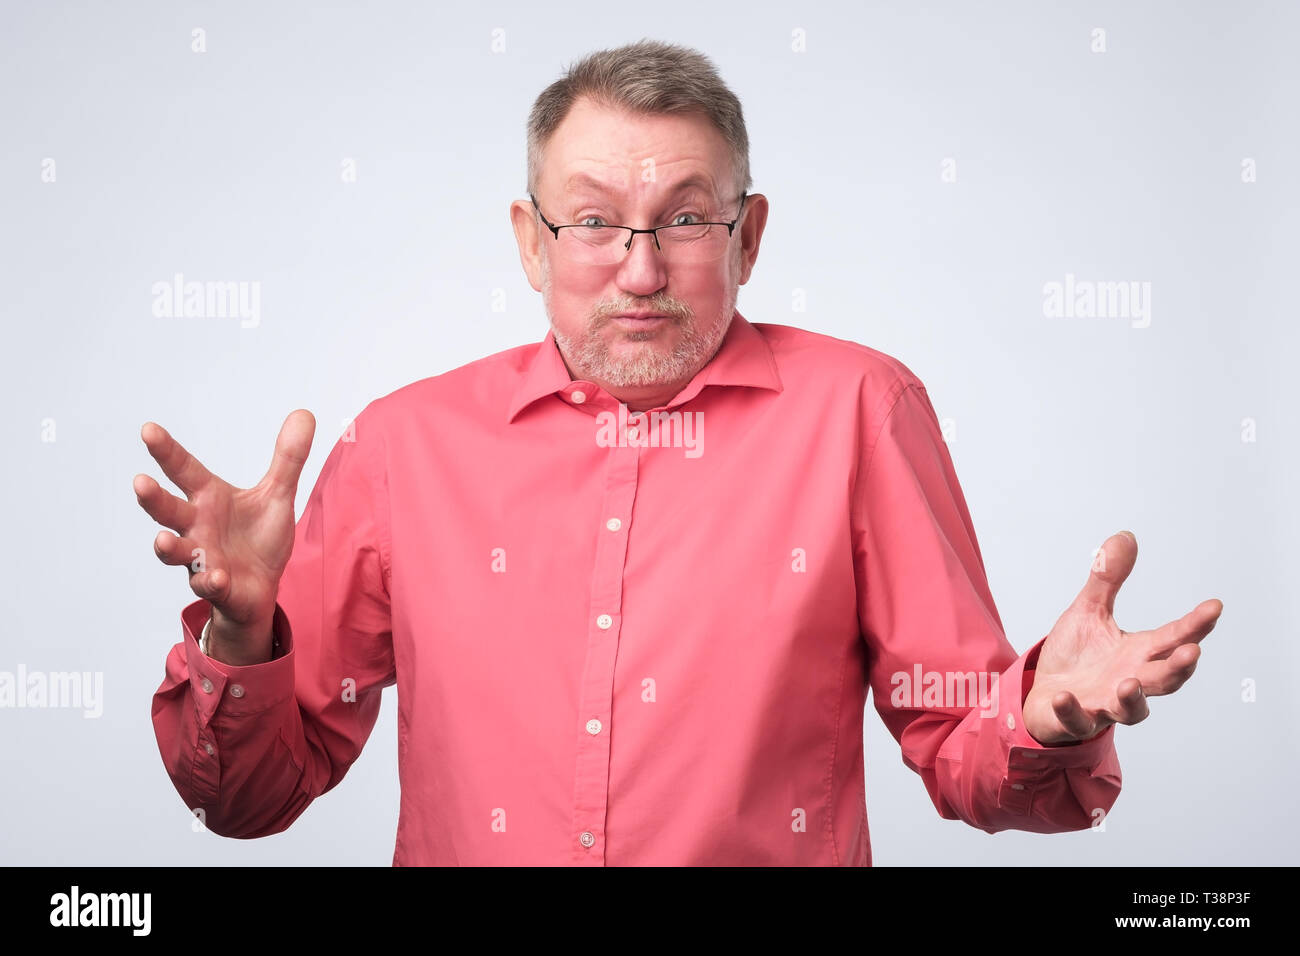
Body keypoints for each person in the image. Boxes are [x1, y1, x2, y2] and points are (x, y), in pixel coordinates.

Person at [138, 39, 1222, 866]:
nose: (641, 269)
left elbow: (968, 750)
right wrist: (242, 633)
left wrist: (1038, 717)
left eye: (686, 220)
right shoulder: (401, 447)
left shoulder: (860, 408)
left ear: (749, 237)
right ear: (529, 241)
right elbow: (246, 799)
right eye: (595, 221)